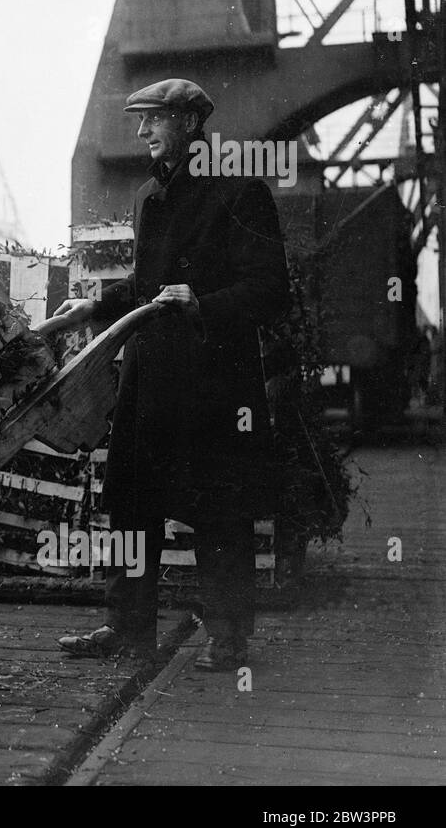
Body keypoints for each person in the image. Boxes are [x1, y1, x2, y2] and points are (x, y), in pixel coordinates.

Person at [45, 79, 289, 672]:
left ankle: (228, 636)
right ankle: (128, 629)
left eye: (153, 119)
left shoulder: (241, 191)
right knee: (131, 502)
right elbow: (144, 288)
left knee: (219, 510)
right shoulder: (147, 197)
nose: (141, 131)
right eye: (139, 121)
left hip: (214, 383)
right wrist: (92, 307)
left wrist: (200, 301)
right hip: (150, 376)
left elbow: (269, 290)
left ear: (187, 122)